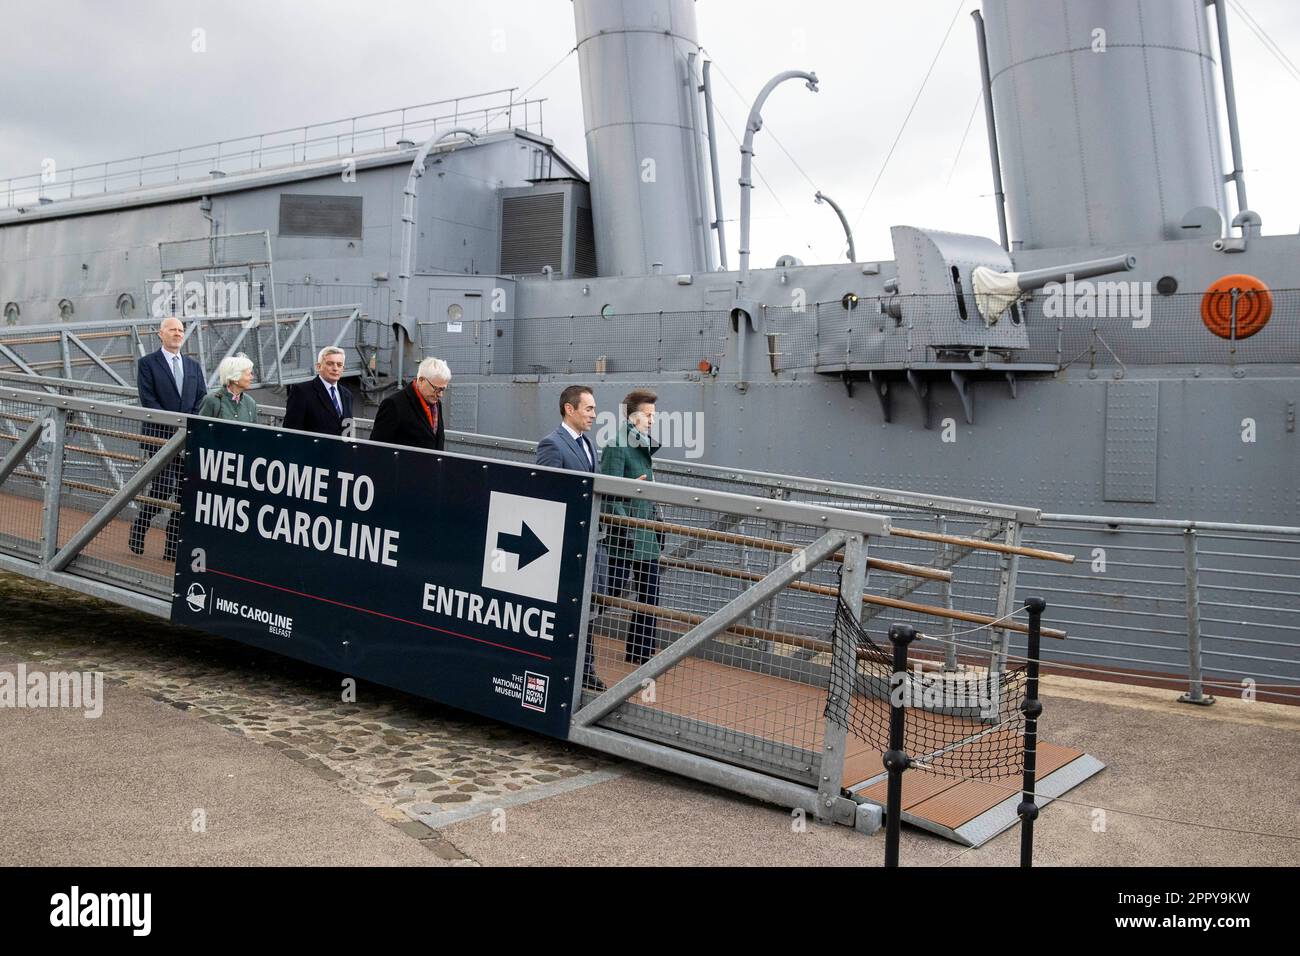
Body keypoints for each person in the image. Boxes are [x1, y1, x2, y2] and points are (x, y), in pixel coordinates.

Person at [535, 385, 605, 691]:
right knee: (569, 608)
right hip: (565, 544)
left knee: (586, 608)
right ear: (570, 409)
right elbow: (547, 492)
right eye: (588, 409)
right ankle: (566, 669)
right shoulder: (552, 444)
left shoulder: (588, 445)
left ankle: (585, 669)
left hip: (588, 540)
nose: (593, 414)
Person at [130, 315, 205, 560]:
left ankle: (172, 545)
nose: (177, 333)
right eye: (172, 329)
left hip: (188, 438)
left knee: (185, 492)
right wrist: (176, 427)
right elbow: (148, 399)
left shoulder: (193, 366)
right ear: (160, 334)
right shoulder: (147, 364)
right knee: (163, 489)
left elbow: (201, 398)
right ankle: (140, 527)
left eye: (181, 330)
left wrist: (188, 424)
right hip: (160, 436)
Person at [599, 389, 662, 665]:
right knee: (608, 592)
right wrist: (627, 526)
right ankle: (577, 634)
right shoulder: (616, 446)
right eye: (648, 415)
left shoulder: (642, 443)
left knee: (650, 594)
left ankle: (641, 653)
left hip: (646, 533)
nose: (652, 420)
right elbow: (610, 495)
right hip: (626, 536)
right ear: (634, 416)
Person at [369, 357, 449, 450]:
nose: (440, 394)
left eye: (443, 389)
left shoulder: (436, 404)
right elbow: (376, 448)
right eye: (436, 389)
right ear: (421, 380)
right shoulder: (394, 404)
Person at [283, 346, 352, 435]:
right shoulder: (302, 391)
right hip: (312, 448)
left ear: (343, 369)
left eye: (339, 365)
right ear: (318, 367)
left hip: (340, 448)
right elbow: (291, 430)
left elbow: (347, 427)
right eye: (330, 364)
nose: (335, 368)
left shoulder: (347, 395)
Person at [197, 353, 259, 422]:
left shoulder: (250, 402)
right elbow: (201, 429)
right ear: (235, 379)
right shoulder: (212, 400)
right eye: (248, 374)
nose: (252, 377)